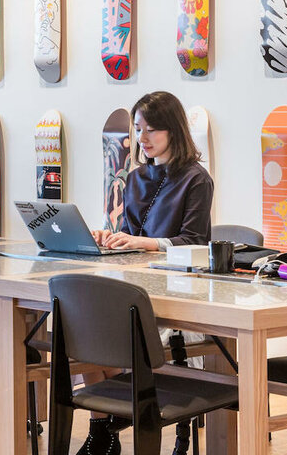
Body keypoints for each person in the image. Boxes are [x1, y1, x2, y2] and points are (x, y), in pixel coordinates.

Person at [82, 90, 214, 455]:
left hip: (178, 296)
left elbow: (196, 242)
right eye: (138, 129)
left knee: (103, 332)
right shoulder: (137, 177)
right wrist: (110, 237)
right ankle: (103, 428)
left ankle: (107, 428)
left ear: (174, 129)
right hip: (136, 286)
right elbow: (130, 230)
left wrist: (145, 243)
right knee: (81, 325)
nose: (143, 138)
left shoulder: (197, 180)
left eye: (152, 129)